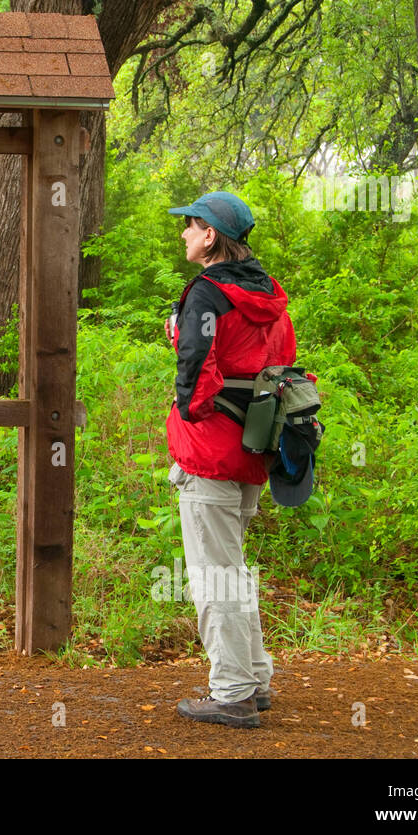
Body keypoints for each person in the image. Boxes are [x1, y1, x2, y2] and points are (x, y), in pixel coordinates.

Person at [163, 191, 296, 729]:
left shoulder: (206, 293)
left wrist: (191, 410)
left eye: (191, 227)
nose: (185, 235)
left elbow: (196, 375)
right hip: (254, 449)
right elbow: (278, 365)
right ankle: (255, 678)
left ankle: (233, 692)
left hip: (211, 451)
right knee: (233, 570)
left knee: (213, 576)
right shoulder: (270, 295)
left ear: (211, 236)